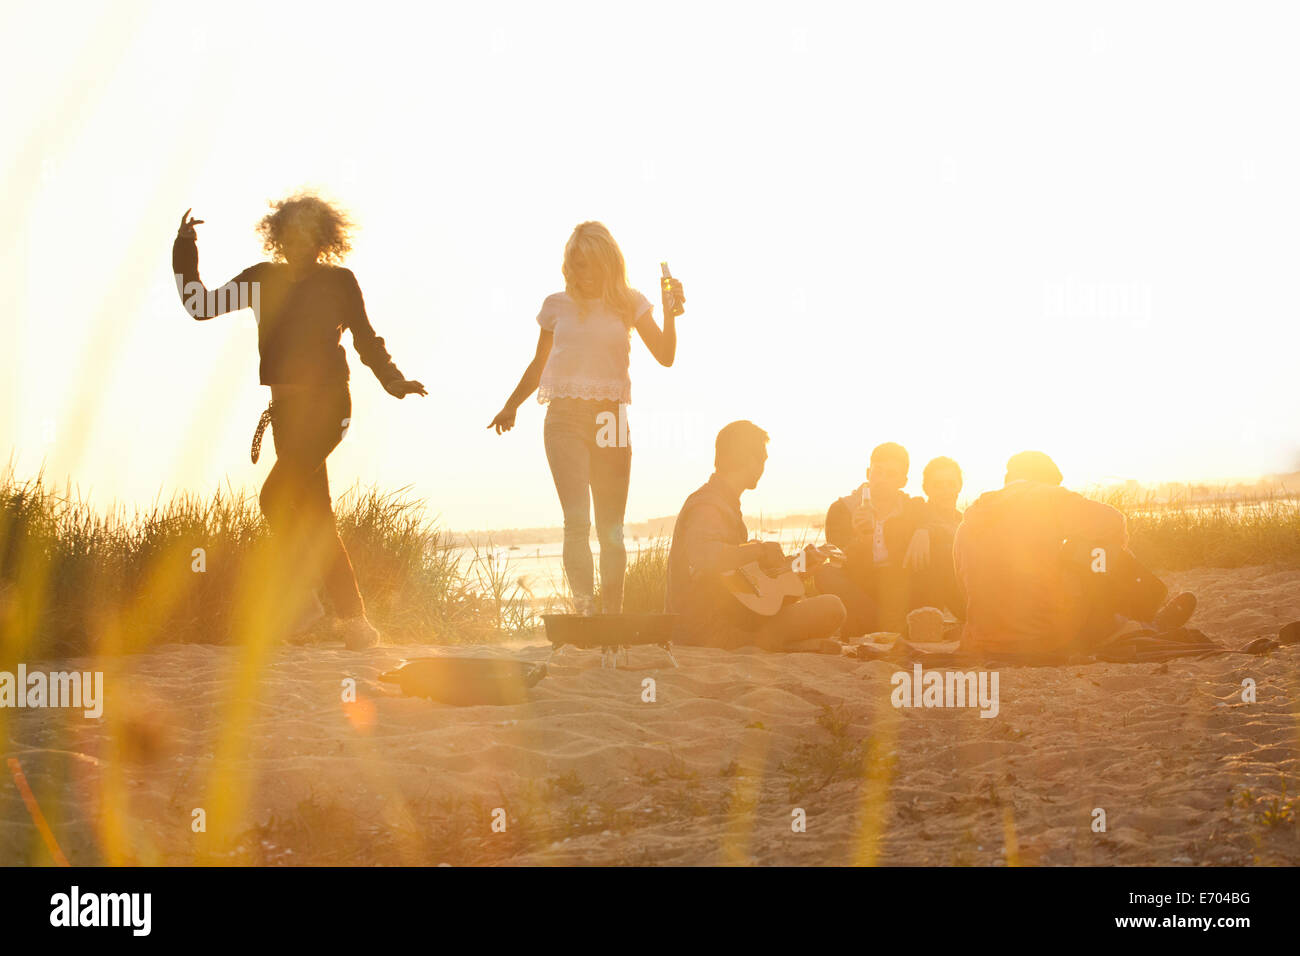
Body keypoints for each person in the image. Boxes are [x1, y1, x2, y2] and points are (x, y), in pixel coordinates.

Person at [172, 195, 426, 649]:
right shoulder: (260, 280)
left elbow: (367, 339)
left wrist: (393, 380)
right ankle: (355, 624)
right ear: (279, 234)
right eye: (289, 232)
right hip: (287, 416)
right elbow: (199, 305)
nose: (297, 241)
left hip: (331, 410)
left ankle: (306, 599)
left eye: (308, 233)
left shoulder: (339, 282)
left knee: (273, 497)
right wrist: (185, 247)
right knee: (317, 519)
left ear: (322, 239)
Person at [489, 222, 684, 616]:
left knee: (612, 529)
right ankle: (585, 607)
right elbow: (538, 363)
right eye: (578, 266)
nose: (586, 275)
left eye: (594, 265)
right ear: (568, 266)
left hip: (611, 419)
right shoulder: (556, 305)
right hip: (564, 418)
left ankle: (612, 612)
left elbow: (665, 355)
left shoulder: (630, 302)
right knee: (577, 520)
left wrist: (669, 313)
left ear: (610, 264)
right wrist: (511, 405)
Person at [954, 451, 1195, 659]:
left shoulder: (969, 520)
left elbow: (964, 587)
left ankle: (1132, 623)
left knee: (1075, 555)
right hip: (1047, 635)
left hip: (984, 639)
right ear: (1046, 480)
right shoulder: (1047, 496)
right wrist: (1097, 551)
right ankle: (1137, 625)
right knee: (1093, 552)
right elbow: (1113, 522)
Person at [665, 421, 845, 651]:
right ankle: (774, 645)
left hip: (733, 618)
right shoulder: (707, 504)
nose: (762, 468)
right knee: (832, 608)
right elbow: (705, 556)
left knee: (825, 610)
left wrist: (798, 564)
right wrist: (759, 550)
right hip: (707, 630)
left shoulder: (725, 503)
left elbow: (744, 581)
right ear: (746, 458)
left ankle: (786, 644)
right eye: (761, 460)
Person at [813, 442, 935, 635]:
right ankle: (889, 626)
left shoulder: (913, 508)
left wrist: (923, 530)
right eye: (878, 472)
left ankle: (889, 624)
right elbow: (839, 561)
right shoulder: (841, 510)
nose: (882, 479)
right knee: (825, 573)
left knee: (937, 554)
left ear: (903, 481)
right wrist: (862, 539)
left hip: (900, 586)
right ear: (868, 472)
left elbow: (934, 516)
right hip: (861, 586)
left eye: (891, 474)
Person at [915, 456, 966, 618]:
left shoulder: (964, 522)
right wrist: (923, 528)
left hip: (962, 598)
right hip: (920, 605)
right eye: (938, 485)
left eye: (950, 484)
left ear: (959, 486)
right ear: (926, 489)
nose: (946, 490)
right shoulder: (916, 515)